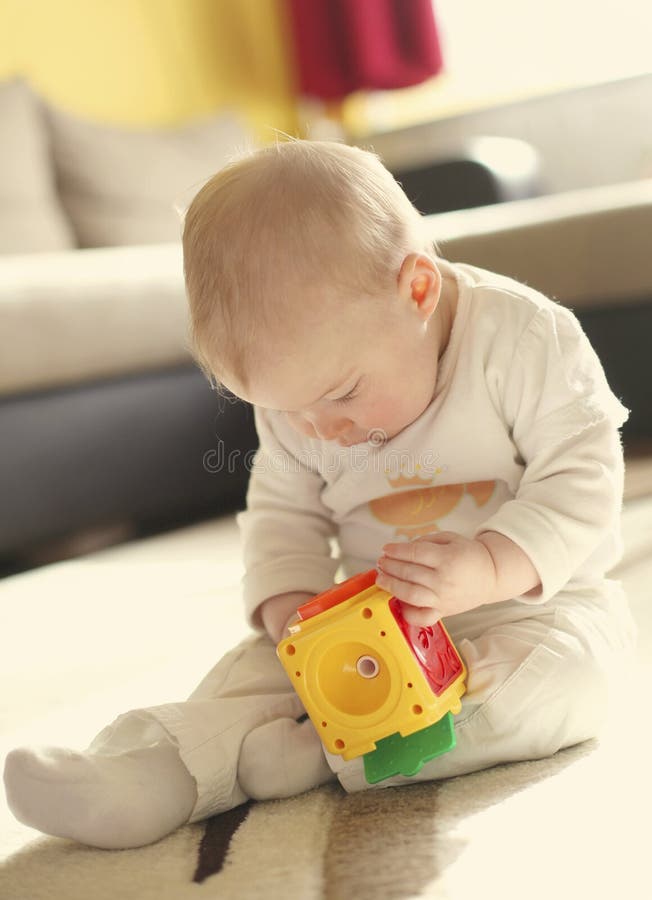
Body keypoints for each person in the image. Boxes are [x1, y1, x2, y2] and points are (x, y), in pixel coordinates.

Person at [4, 140, 636, 849]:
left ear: (418, 291)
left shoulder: (525, 340)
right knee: (245, 679)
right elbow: (284, 510)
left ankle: (328, 754)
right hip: (366, 630)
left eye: (340, 395)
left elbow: (583, 472)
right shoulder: (307, 402)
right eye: (285, 410)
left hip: (525, 609)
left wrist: (489, 564)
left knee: (567, 682)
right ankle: (145, 772)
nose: (320, 430)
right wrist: (291, 603)